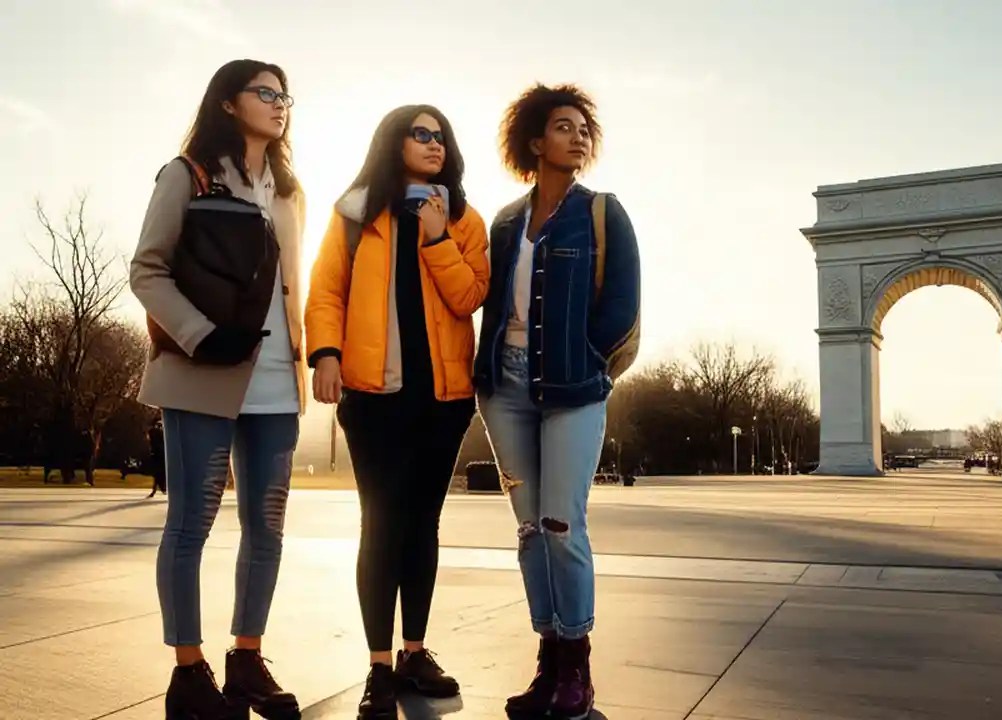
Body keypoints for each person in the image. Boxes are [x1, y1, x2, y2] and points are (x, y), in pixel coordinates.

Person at [130, 59, 306, 720]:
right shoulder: (187, 174)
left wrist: (313, 357)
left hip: (277, 386)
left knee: (267, 528)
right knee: (190, 525)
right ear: (227, 103)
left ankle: (246, 662)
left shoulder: (291, 192)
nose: (279, 103)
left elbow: (295, 288)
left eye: (285, 95)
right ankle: (187, 673)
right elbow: (147, 270)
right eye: (265, 92)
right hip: (203, 374)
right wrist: (201, 334)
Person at [305, 104, 489, 720]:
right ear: (394, 142)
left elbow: (468, 296)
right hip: (373, 396)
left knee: (423, 526)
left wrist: (437, 237)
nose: (435, 144)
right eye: (421, 134)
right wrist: (325, 354)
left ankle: (415, 651)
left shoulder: (464, 220)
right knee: (380, 526)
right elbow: (326, 288)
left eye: (442, 137)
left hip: (443, 400)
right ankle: (379, 666)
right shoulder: (354, 214)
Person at [475, 83, 641, 720]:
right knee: (526, 530)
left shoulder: (602, 212)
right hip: (506, 391)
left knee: (561, 524)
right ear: (535, 142)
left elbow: (623, 304)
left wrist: (590, 361)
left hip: (572, 390)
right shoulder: (504, 223)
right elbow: (492, 303)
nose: (577, 137)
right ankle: (547, 656)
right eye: (563, 127)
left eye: (582, 129)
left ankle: (576, 661)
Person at [147, 418, 167, 498]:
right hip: (160, 455)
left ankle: (158, 489)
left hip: (157, 455)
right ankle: (161, 488)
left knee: (158, 474)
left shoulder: (153, 432)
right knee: (159, 473)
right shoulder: (159, 433)